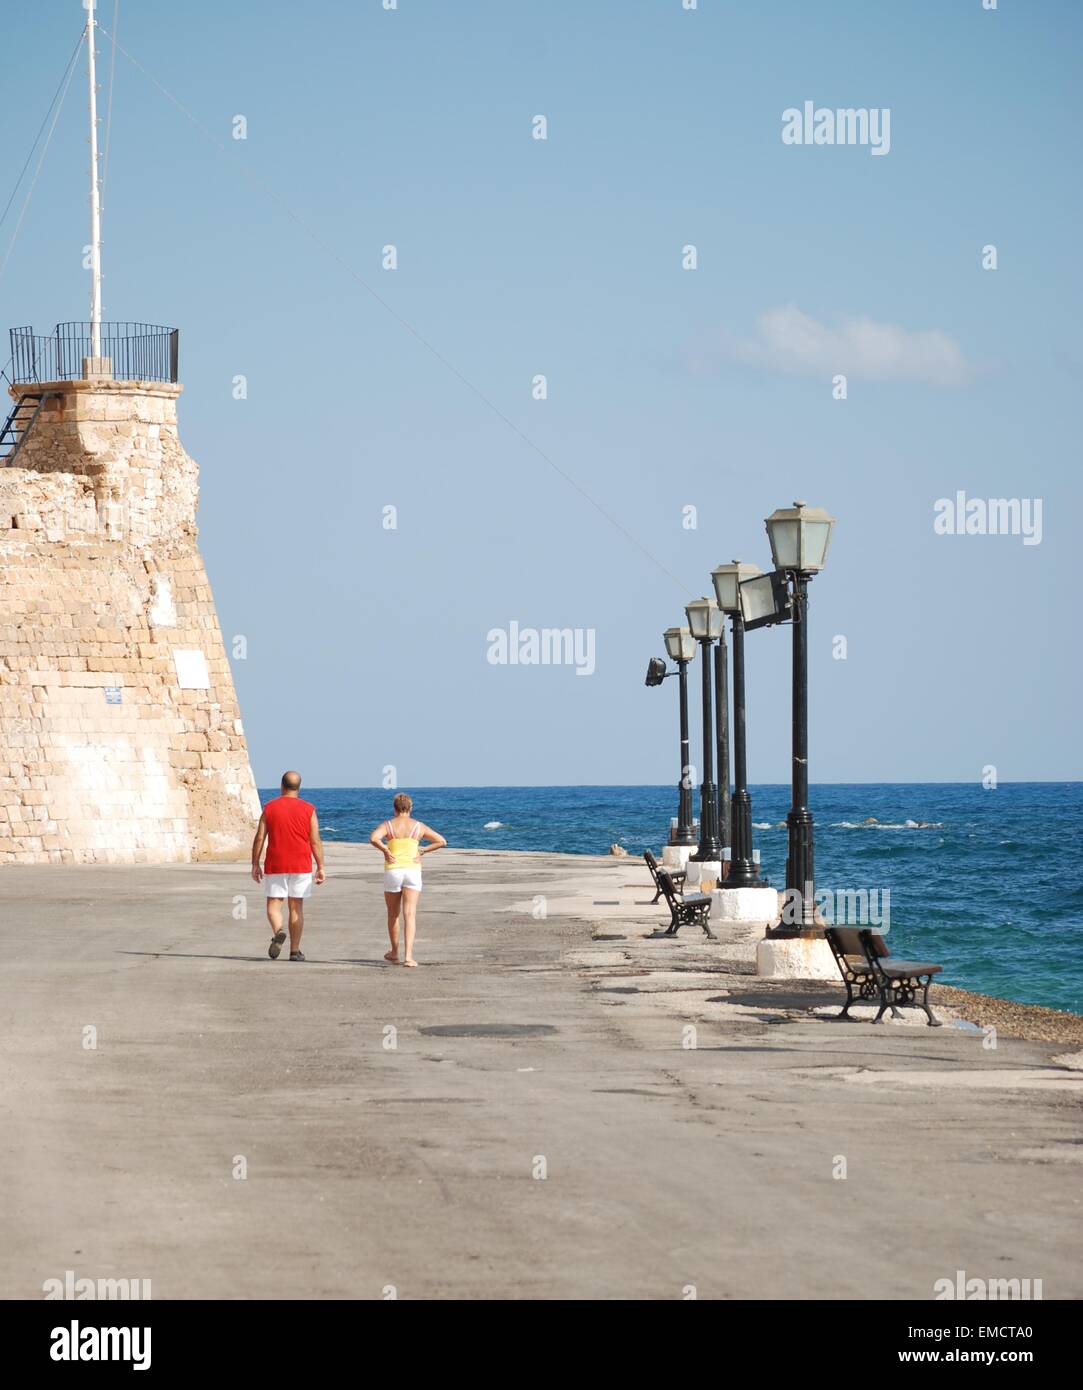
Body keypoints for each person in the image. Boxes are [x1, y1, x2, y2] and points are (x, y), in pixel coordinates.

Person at [251, 771, 325, 961]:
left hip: (276, 862)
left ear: (281, 786)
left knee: (274, 905)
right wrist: (321, 866)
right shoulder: (309, 809)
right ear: (298, 788)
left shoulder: (269, 808)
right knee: (296, 907)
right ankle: (295, 951)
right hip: (301, 863)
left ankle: (278, 932)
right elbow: (315, 840)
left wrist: (255, 863)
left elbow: (260, 837)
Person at [369, 794, 446, 967]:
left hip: (393, 870)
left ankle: (394, 952)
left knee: (393, 913)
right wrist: (423, 851)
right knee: (409, 914)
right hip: (412, 870)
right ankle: (409, 956)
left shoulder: (388, 825)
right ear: (410, 808)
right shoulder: (418, 826)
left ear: (394, 808)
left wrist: (385, 850)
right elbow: (441, 841)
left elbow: (374, 838)